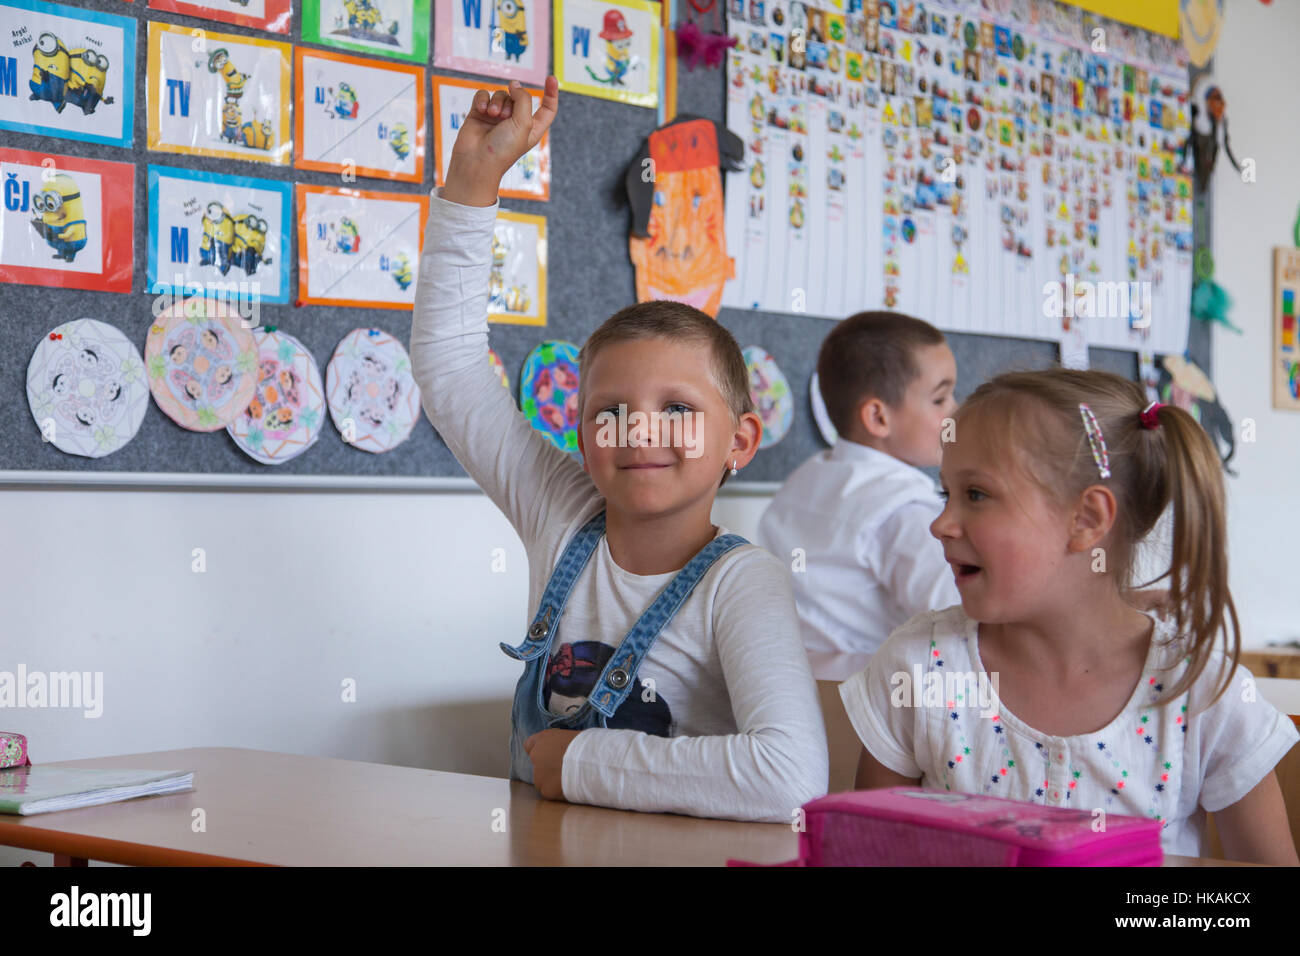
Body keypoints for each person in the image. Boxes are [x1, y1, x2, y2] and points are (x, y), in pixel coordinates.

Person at [409, 78, 827, 822]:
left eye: (676, 409)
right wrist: (474, 181)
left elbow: (791, 777)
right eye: (611, 411)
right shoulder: (562, 511)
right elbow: (448, 369)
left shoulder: (743, 584)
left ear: (741, 442)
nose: (638, 431)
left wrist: (581, 761)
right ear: (581, 434)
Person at [841, 369, 1299, 863]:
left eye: (976, 494)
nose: (940, 524)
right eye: (944, 493)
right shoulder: (920, 667)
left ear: (1087, 520)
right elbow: (866, 856)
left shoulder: (1203, 694)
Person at [758, 312, 959, 656]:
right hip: (869, 700)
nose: (956, 411)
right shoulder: (907, 510)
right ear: (878, 417)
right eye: (940, 399)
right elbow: (958, 627)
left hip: (793, 690)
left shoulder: (804, 480)